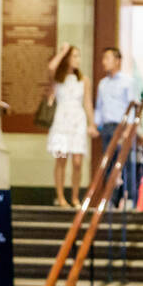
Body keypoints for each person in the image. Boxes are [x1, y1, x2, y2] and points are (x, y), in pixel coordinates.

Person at [46, 43, 96, 208]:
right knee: (61, 160)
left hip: (78, 120)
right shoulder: (57, 78)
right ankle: (60, 197)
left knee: (77, 162)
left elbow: (87, 103)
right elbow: (51, 67)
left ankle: (75, 197)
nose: (77, 60)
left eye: (78, 56)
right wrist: (62, 52)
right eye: (74, 56)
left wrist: (92, 124)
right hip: (62, 120)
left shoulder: (84, 80)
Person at [93, 46, 137, 206]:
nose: (104, 62)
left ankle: (130, 198)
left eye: (107, 58)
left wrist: (128, 130)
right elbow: (99, 107)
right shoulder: (102, 84)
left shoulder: (128, 82)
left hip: (123, 127)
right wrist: (96, 126)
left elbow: (132, 107)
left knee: (125, 163)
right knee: (108, 163)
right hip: (107, 128)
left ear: (118, 61)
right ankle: (111, 199)